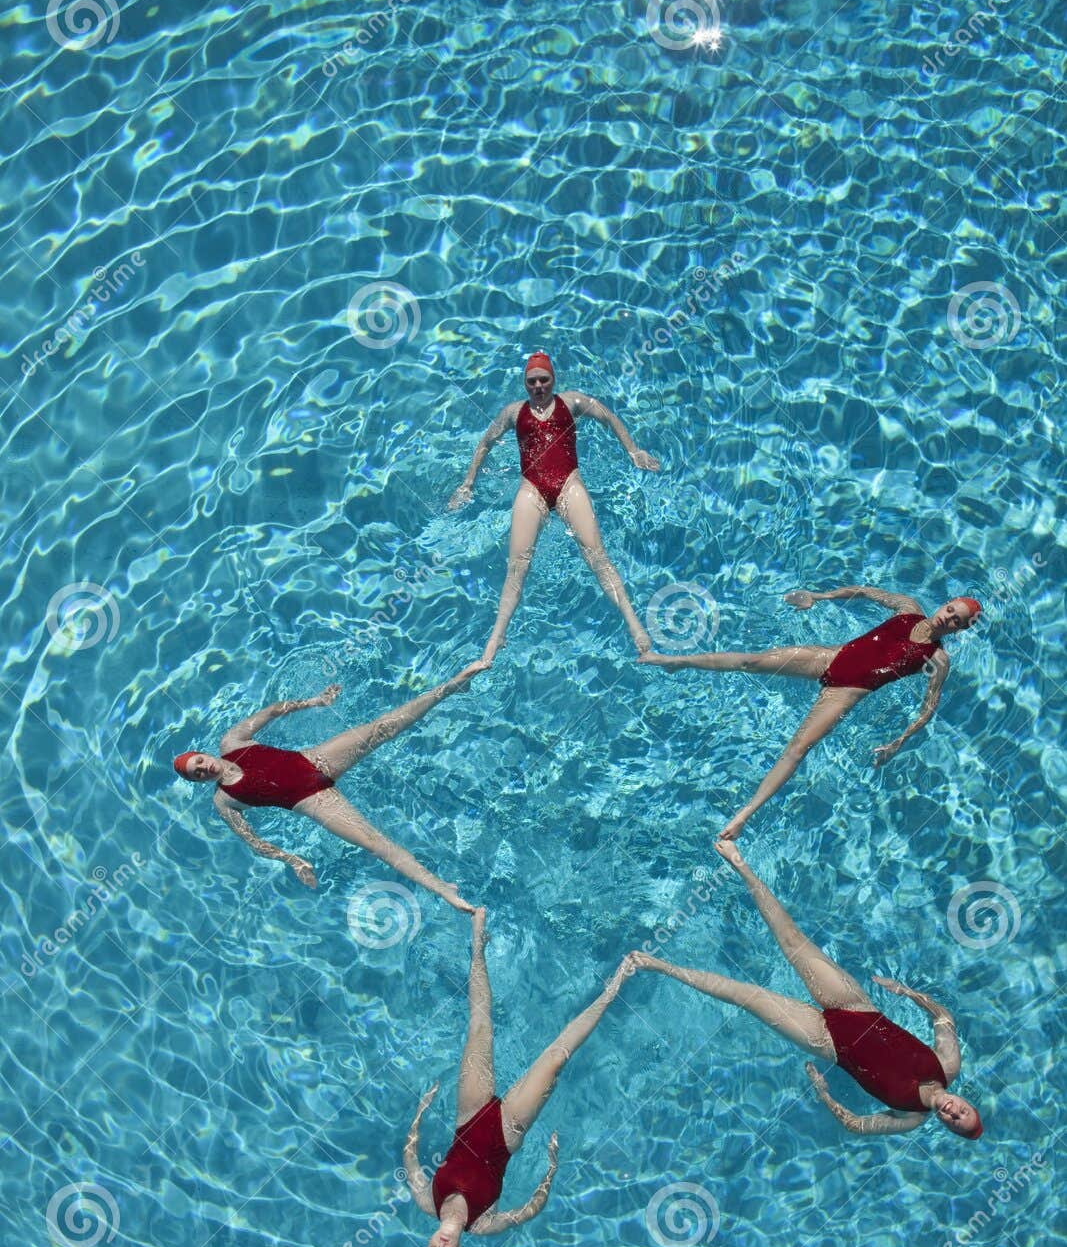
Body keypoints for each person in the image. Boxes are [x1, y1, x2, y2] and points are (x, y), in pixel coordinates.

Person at [632, 839, 982, 1140]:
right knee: (793, 941)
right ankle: (739, 862)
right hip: (857, 1007)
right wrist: (906, 993)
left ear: (946, 1126)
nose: (953, 1113)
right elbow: (943, 1016)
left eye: (954, 1122)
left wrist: (824, 1094)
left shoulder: (910, 1119)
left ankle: (659, 966)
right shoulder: (948, 1064)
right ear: (966, 1102)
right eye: (963, 1112)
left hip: (826, 1041)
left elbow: (857, 1125)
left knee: (747, 996)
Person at [640, 585, 980, 838]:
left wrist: (899, 741)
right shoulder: (907, 607)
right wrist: (818, 597)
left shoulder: (937, 660)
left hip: (847, 692)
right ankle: (675, 662)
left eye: (956, 621)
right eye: (951, 609)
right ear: (946, 603)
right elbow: (863, 591)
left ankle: (743, 815)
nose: (948, 616)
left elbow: (929, 706)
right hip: (829, 657)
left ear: (959, 630)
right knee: (751, 660)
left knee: (798, 748)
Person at [404, 910, 635, 1247]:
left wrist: (420, 1111)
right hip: (506, 1133)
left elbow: (411, 1158)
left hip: (469, 1116)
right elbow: (528, 1211)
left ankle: (477, 942)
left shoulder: (425, 1200)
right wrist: (551, 1169)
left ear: (429, 1241)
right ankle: (616, 984)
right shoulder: (483, 1225)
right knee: (557, 1058)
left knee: (480, 1026)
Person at [173, 668, 482, 911]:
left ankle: (451, 686)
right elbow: (254, 841)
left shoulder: (231, 742)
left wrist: (315, 702)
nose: (203, 768)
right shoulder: (224, 801)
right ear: (199, 781)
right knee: (375, 843)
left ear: (204, 753)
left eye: (199, 761)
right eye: (197, 773)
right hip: (313, 801)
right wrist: (292, 860)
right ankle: (442, 888)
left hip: (317, 759)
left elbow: (270, 711)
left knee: (381, 728)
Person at [448, 351, 660, 662]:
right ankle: (497, 636)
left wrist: (633, 450)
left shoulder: (571, 402)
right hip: (531, 489)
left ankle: (633, 623)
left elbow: (609, 417)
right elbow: (485, 443)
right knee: (517, 566)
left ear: (553, 379)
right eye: (531, 381)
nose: (538, 386)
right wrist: (467, 484)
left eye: (543, 380)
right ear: (524, 383)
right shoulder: (512, 413)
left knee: (597, 557)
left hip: (569, 486)